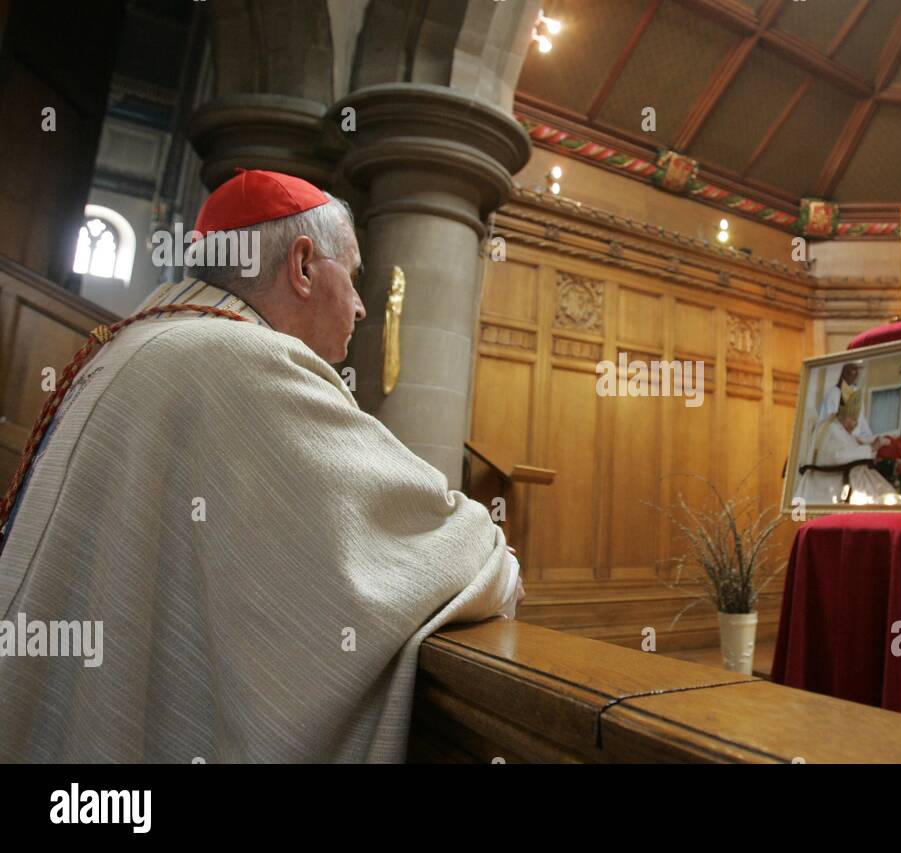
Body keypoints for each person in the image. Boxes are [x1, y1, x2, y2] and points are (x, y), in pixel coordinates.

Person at [0, 169, 521, 762]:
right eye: (350, 276)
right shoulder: (239, 360)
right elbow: (448, 545)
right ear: (301, 266)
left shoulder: (138, 345)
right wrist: (491, 552)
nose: (357, 307)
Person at [797, 383, 894, 505]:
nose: (856, 424)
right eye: (854, 419)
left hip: (831, 477)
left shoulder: (834, 423)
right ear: (845, 416)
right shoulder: (833, 430)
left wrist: (872, 449)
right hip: (825, 484)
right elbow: (839, 456)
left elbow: (852, 443)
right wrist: (872, 448)